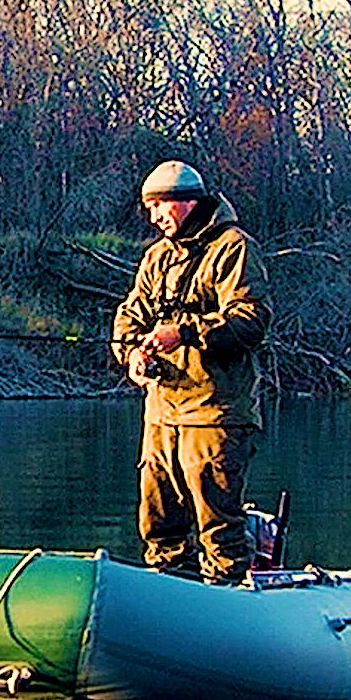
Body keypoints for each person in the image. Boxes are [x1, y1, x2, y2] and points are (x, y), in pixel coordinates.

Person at [112, 159, 272, 584]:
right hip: (162, 411)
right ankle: (170, 593)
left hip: (216, 410)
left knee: (218, 521)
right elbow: (130, 316)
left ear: (186, 202)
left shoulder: (234, 247)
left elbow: (250, 320)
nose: (153, 216)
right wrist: (132, 356)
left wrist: (184, 332)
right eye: (149, 209)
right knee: (158, 519)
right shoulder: (156, 257)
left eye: (159, 207)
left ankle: (226, 601)